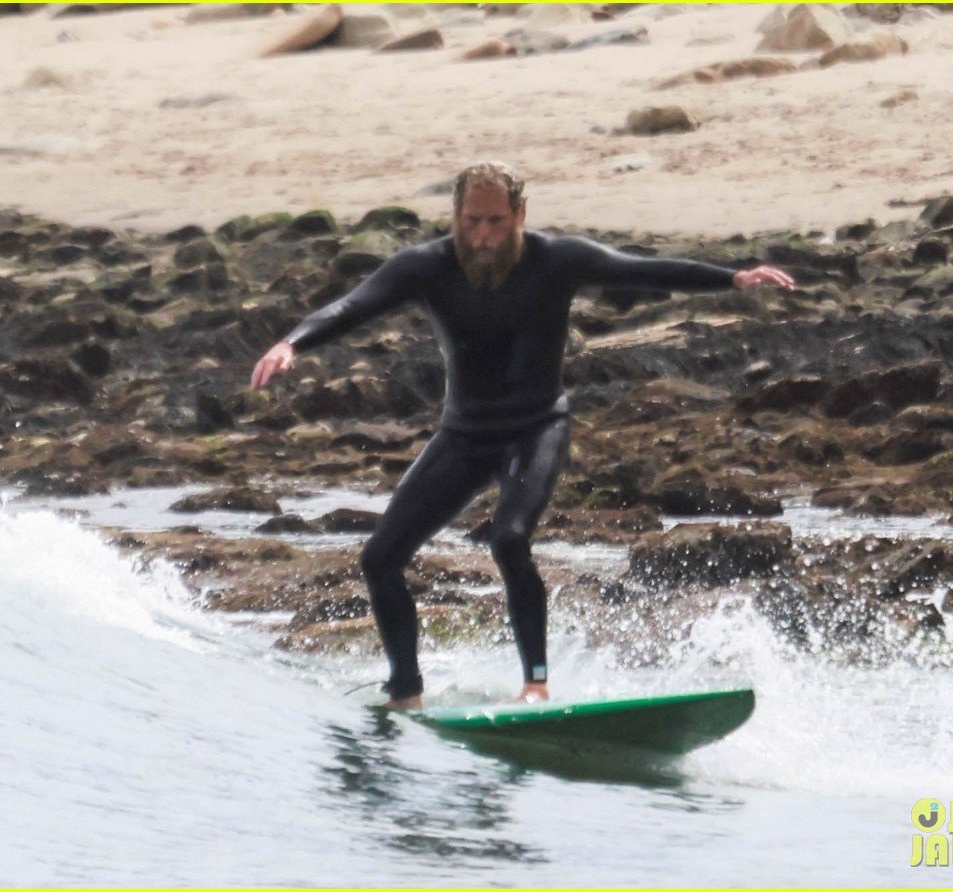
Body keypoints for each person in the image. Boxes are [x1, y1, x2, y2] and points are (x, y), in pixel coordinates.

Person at [251, 162, 794, 709]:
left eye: (495, 221)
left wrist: (731, 278)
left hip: (535, 429)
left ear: (520, 214)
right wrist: (292, 343)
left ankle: (535, 683)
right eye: (472, 222)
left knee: (509, 539)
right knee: (380, 558)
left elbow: (639, 269)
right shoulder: (426, 266)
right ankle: (405, 691)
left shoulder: (556, 259)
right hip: (463, 437)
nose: (483, 235)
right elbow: (352, 306)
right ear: (456, 216)